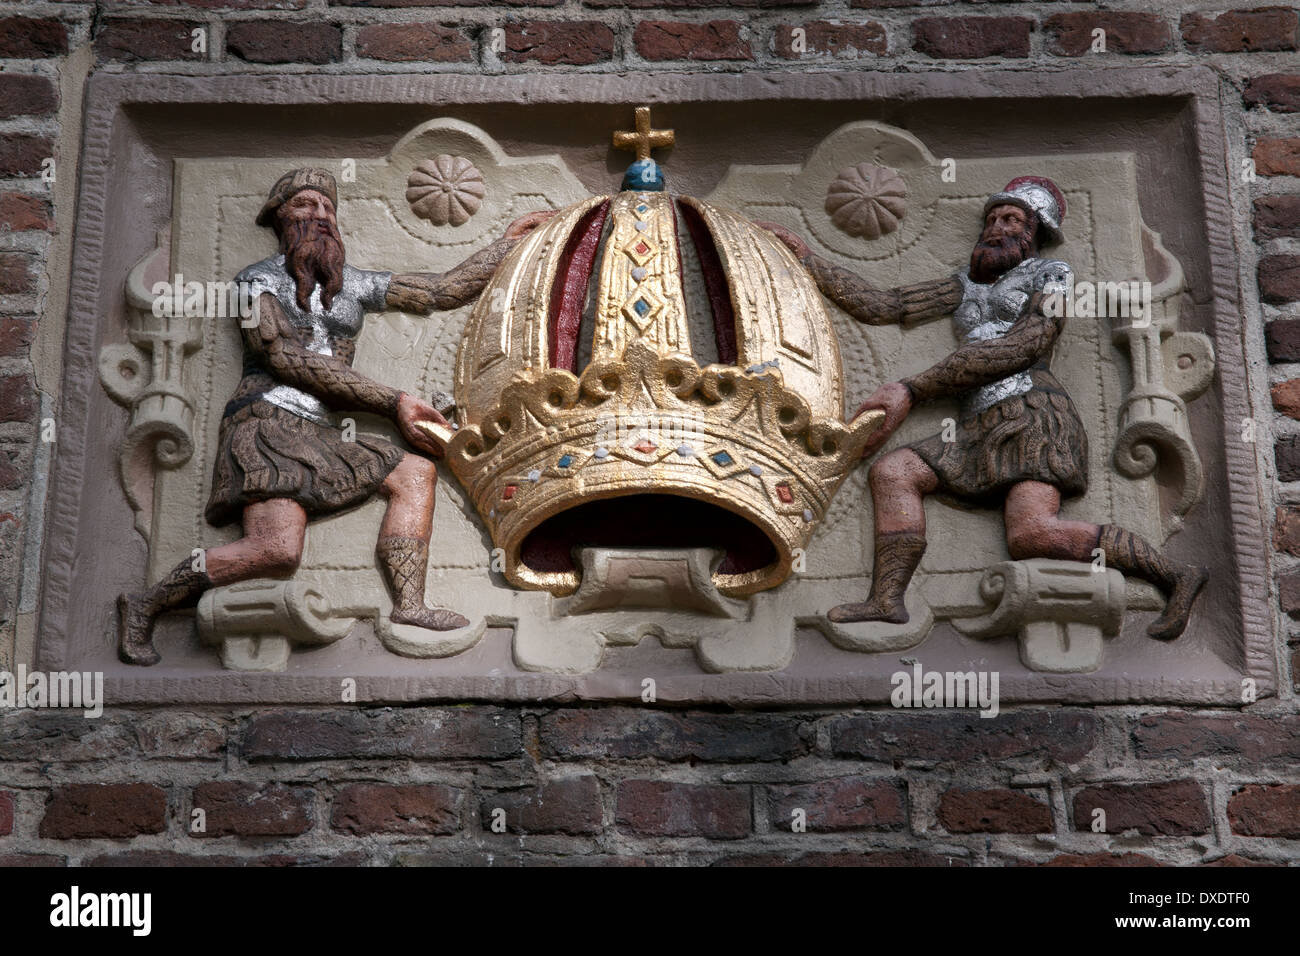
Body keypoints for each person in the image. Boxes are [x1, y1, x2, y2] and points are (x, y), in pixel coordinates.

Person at [118, 167, 551, 665]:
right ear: (280, 217)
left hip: (320, 429)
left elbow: (440, 291)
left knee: (414, 472)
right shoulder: (255, 282)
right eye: (304, 205)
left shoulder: (354, 286)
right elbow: (283, 357)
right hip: (267, 423)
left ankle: (410, 605)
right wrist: (393, 401)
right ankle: (148, 601)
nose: (320, 216)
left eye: (327, 208)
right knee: (276, 552)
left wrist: (506, 245)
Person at [763, 176, 1206, 640]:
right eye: (992, 218)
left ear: (1034, 231)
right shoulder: (964, 286)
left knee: (1031, 535)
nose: (996, 227)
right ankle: (887, 600)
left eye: (1011, 219)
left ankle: (1173, 575)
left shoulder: (1050, 277)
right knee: (894, 472)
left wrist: (913, 389)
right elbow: (883, 305)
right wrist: (806, 259)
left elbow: (1026, 344)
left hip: (1033, 413)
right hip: (977, 421)